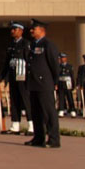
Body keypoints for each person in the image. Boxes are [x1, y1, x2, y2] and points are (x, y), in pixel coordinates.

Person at [24, 19, 60, 149]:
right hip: (33, 83)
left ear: (42, 30)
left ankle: (54, 139)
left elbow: (54, 65)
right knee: (36, 112)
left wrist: (55, 82)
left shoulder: (48, 44)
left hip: (45, 83)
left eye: (34, 29)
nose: (31, 31)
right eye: (31, 29)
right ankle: (38, 138)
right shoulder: (33, 44)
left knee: (49, 112)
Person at [0, 20, 33, 134]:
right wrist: (2, 77)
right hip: (13, 76)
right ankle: (15, 125)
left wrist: (30, 76)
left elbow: (29, 61)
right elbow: (7, 62)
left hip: (23, 76)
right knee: (14, 100)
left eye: (15, 29)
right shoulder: (11, 45)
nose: (12, 31)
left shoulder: (26, 44)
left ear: (21, 31)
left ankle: (31, 125)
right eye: (12, 29)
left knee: (26, 100)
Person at [56, 53, 77, 118]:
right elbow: (56, 76)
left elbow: (72, 76)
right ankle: (61, 110)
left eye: (63, 58)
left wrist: (73, 85)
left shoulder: (69, 66)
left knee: (70, 97)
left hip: (68, 83)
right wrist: (55, 84)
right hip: (60, 83)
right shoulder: (58, 66)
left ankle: (72, 110)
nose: (62, 59)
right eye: (61, 58)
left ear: (66, 58)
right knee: (61, 97)